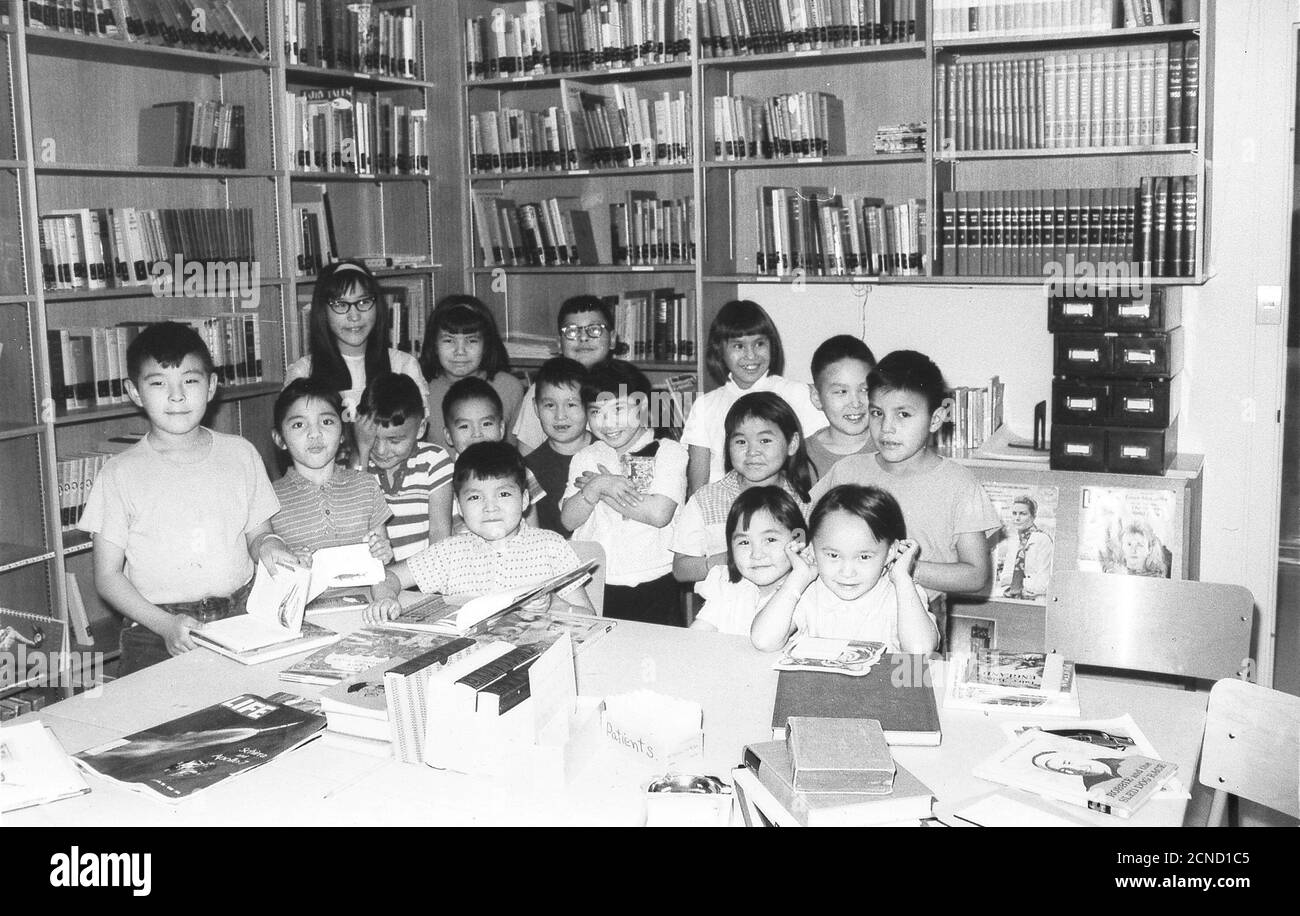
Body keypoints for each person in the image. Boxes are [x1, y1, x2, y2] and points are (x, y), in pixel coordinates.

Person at [78, 322, 288, 674]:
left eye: (190, 381)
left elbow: (258, 533)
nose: (176, 396)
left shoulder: (241, 453)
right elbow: (108, 576)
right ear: (134, 392)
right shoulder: (119, 473)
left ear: (212, 386)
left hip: (240, 616)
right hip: (154, 630)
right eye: (158, 383)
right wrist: (164, 625)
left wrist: (270, 545)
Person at [810, 350, 1000, 597]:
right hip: (846, 615)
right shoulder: (846, 470)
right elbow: (802, 529)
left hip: (919, 618)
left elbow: (975, 575)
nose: (887, 428)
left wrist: (901, 567)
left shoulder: (960, 484)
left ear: (935, 419)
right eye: (877, 413)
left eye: (903, 414)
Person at [370, 442, 594, 618]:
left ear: (525, 499)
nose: (490, 507)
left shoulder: (551, 546)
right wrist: (386, 600)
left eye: (504, 494)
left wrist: (553, 603)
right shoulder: (450, 551)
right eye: (475, 497)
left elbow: (589, 616)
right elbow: (387, 577)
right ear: (460, 506)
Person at [561, 361, 688, 625]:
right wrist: (595, 487)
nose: (607, 422)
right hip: (596, 579)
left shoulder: (668, 451)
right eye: (596, 412)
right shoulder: (586, 457)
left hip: (655, 578)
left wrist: (602, 488)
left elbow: (659, 513)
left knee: (660, 657)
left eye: (618, 409)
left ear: (642, 407)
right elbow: (569, 520)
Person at [750, 484, 938, 654]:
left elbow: (920, 652)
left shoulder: (901, 593)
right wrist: (798, 577)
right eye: (833, 555)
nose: (847, 572)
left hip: (879, 691)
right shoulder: (807, 589)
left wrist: (903, 578)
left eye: (864, 557)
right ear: (812, 550)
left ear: (890, 552)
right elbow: (764, 641)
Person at [681, 300, 825, 496]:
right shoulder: (705, 406)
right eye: (739, 346)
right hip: (721, 509)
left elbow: (818, 464)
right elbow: (697, 487)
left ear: (771, 345)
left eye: (759, 344)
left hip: (785, 506)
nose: (751, 355)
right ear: (719, 350)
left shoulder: (797, 394)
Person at [672, 392, 812, 583]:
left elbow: (807, 556)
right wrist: (727, 560)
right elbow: (681, 569)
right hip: (725, 606)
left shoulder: (804, 503)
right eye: (741, 442)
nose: (752, 451)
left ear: (792, 443)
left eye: (765, 440)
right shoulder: (706, 499)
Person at [283, 260, 430, 439]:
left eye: (363, 302)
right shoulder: (303, 372)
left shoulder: (404, 365)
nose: (354, 316)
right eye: (340, 304)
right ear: (323, 311)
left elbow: (414, 434)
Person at [268, 379, 393, 566]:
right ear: (280, 439)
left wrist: (384, 553)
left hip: (367, 594)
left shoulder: (366, 485)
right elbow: (270, 571)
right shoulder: (269, 498)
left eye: (326, 421)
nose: (315, 433)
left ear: (343, 432)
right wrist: (290, 562)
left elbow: (385, 564)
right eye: (298, 425)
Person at [356, 373, 454, 560]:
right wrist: (362, 453)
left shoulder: (433, 460)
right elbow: (359, 519)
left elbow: (440, 532)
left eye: (394, 440)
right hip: (379, 578)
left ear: (420, 429)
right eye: (373, 439)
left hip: (425, 577)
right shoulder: (359, 468)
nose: (382, 450)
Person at [691, 486, 806, 636]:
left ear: (798, 540)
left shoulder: (805, 593)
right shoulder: (728, 587)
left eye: (770, 540)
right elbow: (695, 636)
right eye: (744, 542)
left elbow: (767, 639)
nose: (756, 554)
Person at [513, 295, 619, 453]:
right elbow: (527, 457)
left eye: (595, 330)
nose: (583, 338)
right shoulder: (542, 390)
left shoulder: (626, 387)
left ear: (612, 339)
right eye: (571, 331)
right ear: (559, 344)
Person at [419, 294, 524, 450]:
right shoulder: (423, 390)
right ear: (434, 344)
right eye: (448, 340)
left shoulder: (509, 388)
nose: (460, 351)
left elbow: (518, 453)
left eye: (471, 340)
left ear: (486, 344)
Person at [441, 377, 545, 529]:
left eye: (486, 424)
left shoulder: (519, 468)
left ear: (501, 429)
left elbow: (532, 525)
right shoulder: (444, 479)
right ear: (449, 435)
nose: (477, 434)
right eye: (464, 426)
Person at [521, 357, 591, 536]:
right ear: (536, 408)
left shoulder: (608, 452)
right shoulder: (527, 469)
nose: (560, 416)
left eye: (571, 404)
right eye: (550, 405)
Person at [805, 334, 877, 481]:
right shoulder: (800, 458)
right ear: (816, 397)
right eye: (841, 392)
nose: (856, 403)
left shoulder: (892, 446)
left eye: (865, 390)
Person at [993, 495, 1054, 599]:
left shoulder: (1043, 540)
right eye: (1014, 513)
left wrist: (1017, 583)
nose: (1017, 518)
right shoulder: (1014, 540)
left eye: (1023, 514)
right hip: (1011, 595)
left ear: (1033, 516)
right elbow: (1005, 577)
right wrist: (1018, 584)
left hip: (1035, 599)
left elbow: (1043, 582)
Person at [1101, 516, 1171, 578]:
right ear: (1122, 547)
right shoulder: (1112, 573)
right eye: (1129, 544)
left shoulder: (1157, 577)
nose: (1133, 550)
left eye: (1139, 545)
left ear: (1149, 549)